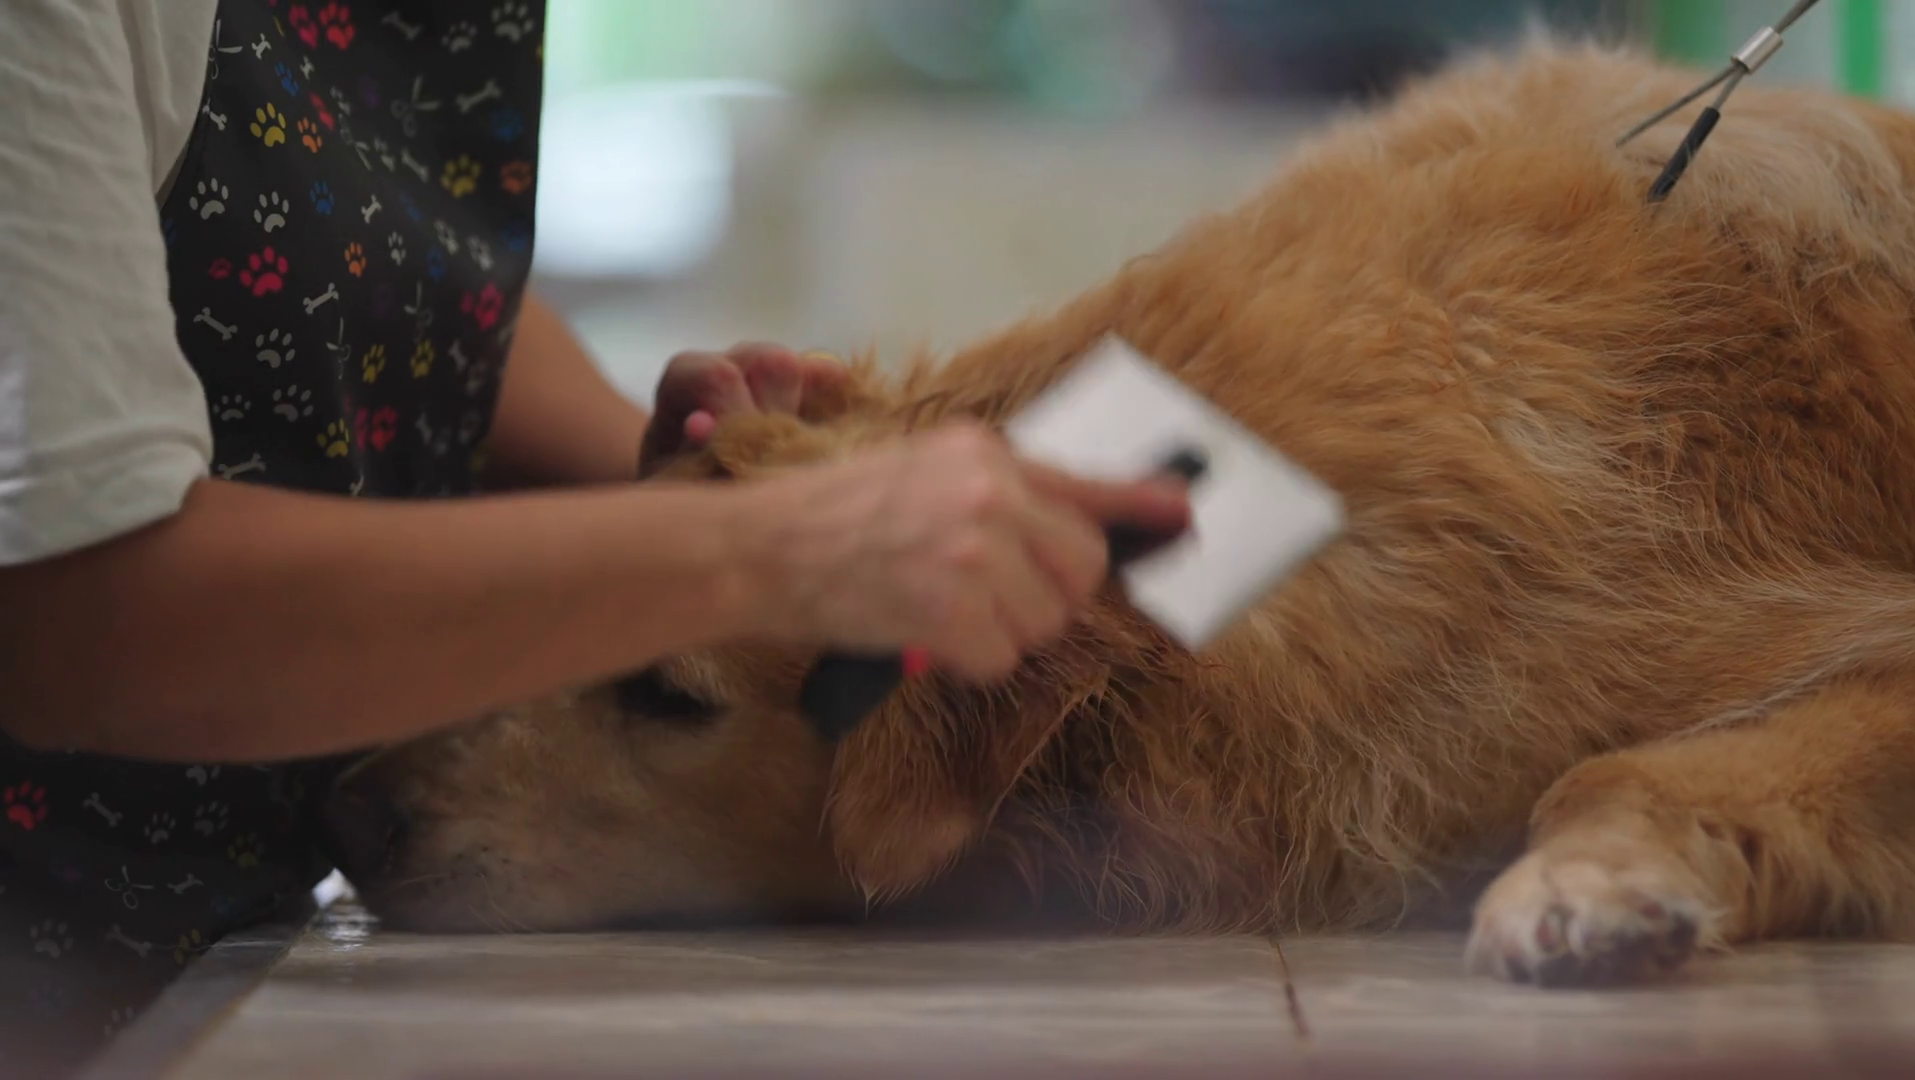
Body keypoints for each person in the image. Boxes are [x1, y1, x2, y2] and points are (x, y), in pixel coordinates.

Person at [0, 1, 1189, 1073]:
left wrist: (686, 472)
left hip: (232, 953)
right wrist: (775, 546)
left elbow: (400, 280)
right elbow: (82, 609)